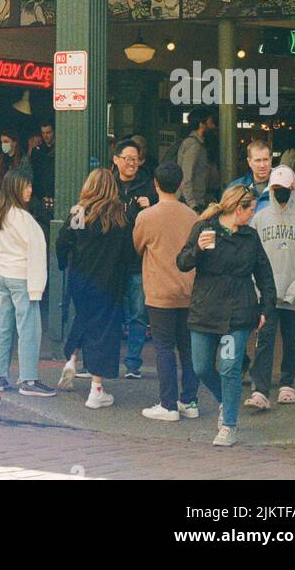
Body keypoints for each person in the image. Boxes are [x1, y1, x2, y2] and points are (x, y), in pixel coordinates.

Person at [177, 183, 276, 447]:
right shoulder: (204, 228)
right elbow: (182, 262)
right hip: (205, 309)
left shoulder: (250, 237)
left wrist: (266, 308)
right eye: (251, 210)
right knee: (201, 366)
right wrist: (197, 247)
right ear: (237, 208)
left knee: (230, 367)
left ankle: (229, 425)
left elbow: (264, 274)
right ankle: (226, 400)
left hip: (238, 312)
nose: (252, 215)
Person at [56, 167, 134, 409]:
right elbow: (128, 251)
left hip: (80, 279)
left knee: (84, 318)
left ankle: (71, 358)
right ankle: (96, 389)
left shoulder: (79, 212)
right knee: (104, 332)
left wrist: (63, 263)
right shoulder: (119, 214)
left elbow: (62, 241)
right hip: (109, 281)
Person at [246, 165, 295, 408]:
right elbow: (251, 258)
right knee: (263, 340)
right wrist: (259, 290)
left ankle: (287, 383)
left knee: (291, 340)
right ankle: (260, 389)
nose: (279, 193)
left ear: (292, 188)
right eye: (275, 189)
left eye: (282, 189)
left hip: (294, 295)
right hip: (266, 294)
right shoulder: (260, 218)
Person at [133, 160, 200, 421]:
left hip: (159, 292)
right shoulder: (192, 216)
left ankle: (168, 404)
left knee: (163, 347)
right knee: (188, 347)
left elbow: (138, 246)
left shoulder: (146, 217)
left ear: (156, 185)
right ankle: (190, 400)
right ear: (181, 184)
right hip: (188, 290)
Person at [0, 171, 52, 397]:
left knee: (3, 326)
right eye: (26, 186)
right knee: (29, 329)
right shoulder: (24, 219)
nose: (30, 190)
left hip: (5, 274)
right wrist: (38, 287)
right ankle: (29, 380)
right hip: (23, 276)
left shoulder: (1, 214)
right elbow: (35, 252)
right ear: (15, 188)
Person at [111, 137, 157, 379]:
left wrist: (150, 207)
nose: (132, 163)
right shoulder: (108, 186)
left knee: (139, 314)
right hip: (113, 261)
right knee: (112, 311)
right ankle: (106, 360)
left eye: (136, 159)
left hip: (139, 260)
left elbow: (159, 219)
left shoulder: (148, 186)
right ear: (116, 160)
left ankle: (133, 363)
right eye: (127, 158)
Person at [177, 108, 217, 212]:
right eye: (210, 122)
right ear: (201, 124)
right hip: (191, 203)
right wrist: (193, 205)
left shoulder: (199, 144)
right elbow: (186, 176)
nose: (213, 126)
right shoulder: (194, 145)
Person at [229, 136, 273, 215]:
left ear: (271, 160)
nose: (262, 165)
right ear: (249, 162)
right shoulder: (236, 187)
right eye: (258, 160)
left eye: (265, 159)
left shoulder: (281, 187)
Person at [31, 122, 56, 228]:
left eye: (48, 132)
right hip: (40, 197)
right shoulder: (37, 151)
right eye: (43, 133)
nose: (46, 135)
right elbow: (34, 174)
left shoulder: (61, 149)